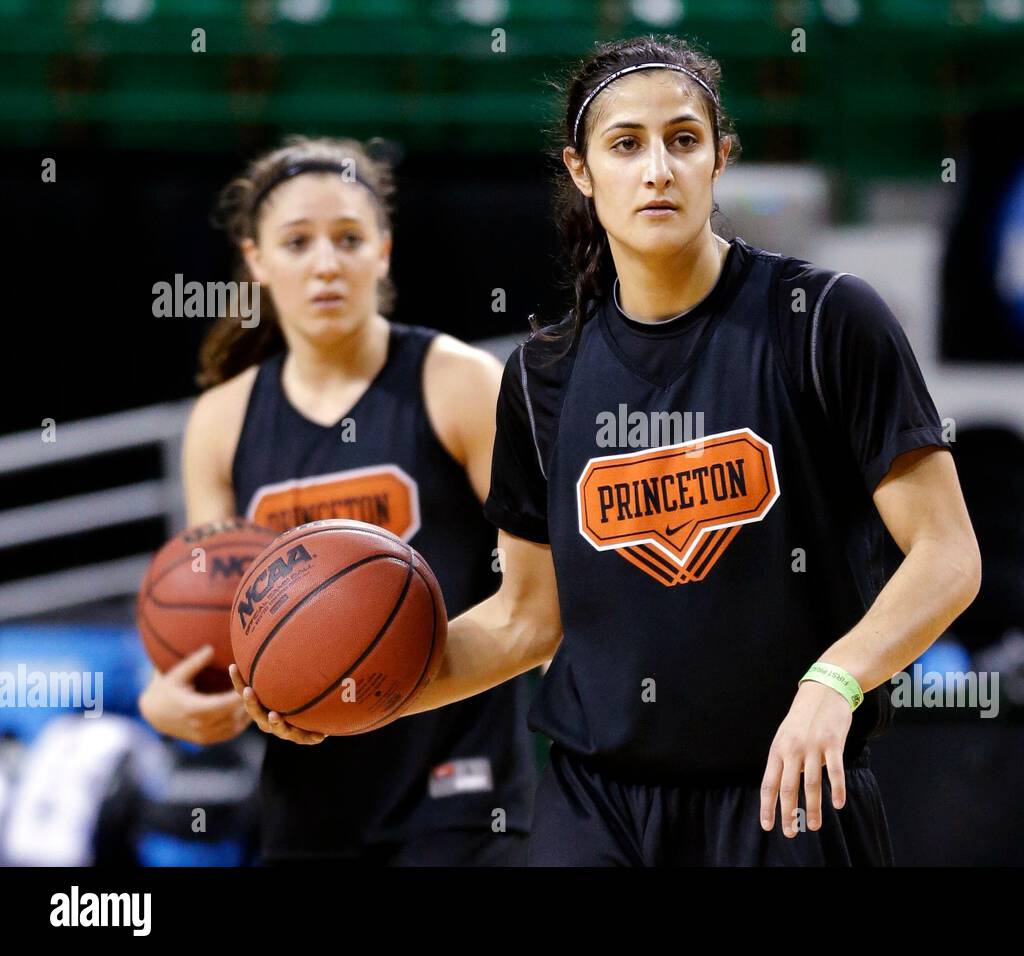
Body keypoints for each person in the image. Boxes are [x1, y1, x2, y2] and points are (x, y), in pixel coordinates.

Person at [241, 38, 981, 866]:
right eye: (626, 145)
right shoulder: (541, 377)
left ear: (720, 159)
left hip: (786, 790)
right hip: (596, 806)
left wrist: (837, 679)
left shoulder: (824, 320)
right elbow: (526, 620)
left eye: (684, 140)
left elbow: (948, 556)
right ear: (582, 170)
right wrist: (349, 691)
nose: (657, 169)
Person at [140, 136, 536, 865]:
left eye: (349, 238)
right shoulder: (221, 420)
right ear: (256, 261)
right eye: (297, 242)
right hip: (307, 806)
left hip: (463, 796)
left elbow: (537, 602)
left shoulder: (459, 382)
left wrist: (385, 677)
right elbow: (221, 633)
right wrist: (173, 702)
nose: (327, 262)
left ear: (382, 251)